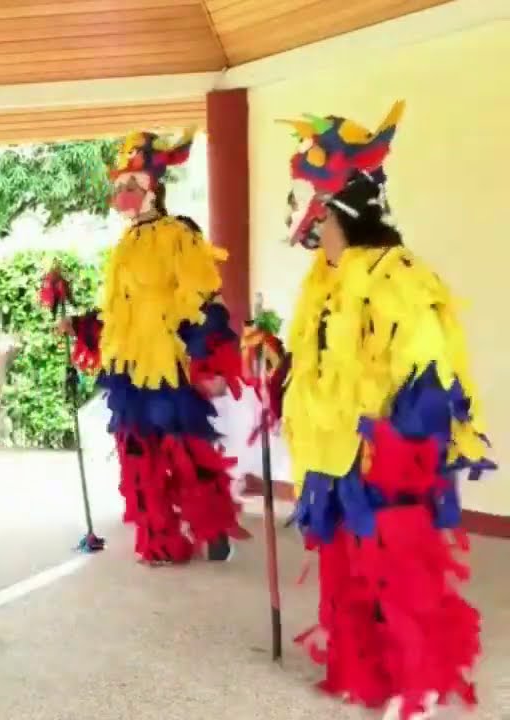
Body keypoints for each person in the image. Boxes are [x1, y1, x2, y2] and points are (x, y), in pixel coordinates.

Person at [256, 100, 494, 719]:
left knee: (396, 567)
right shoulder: (325, 276)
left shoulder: (400, 275)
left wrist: (395, 450)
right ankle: (363, 666)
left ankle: (418, 680)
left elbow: (430, 375)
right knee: (345, 565)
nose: (298, 209)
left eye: (306, 195)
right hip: (332, 451)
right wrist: (278, 362)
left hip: (384, 453)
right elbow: (321, 362)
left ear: (334, 205)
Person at [58, 127, 246, 565]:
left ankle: (212, 528)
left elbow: (203, 300)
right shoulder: (124, 244)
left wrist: (211, 358)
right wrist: (82, 326)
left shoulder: (179, 234)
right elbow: (121, 310)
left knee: (187, 446)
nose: (123, 192)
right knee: (139, 452)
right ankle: (160, 540)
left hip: (170, 360)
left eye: (132, 183)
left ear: (154, 187)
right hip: (128, 366)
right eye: (120, 184)